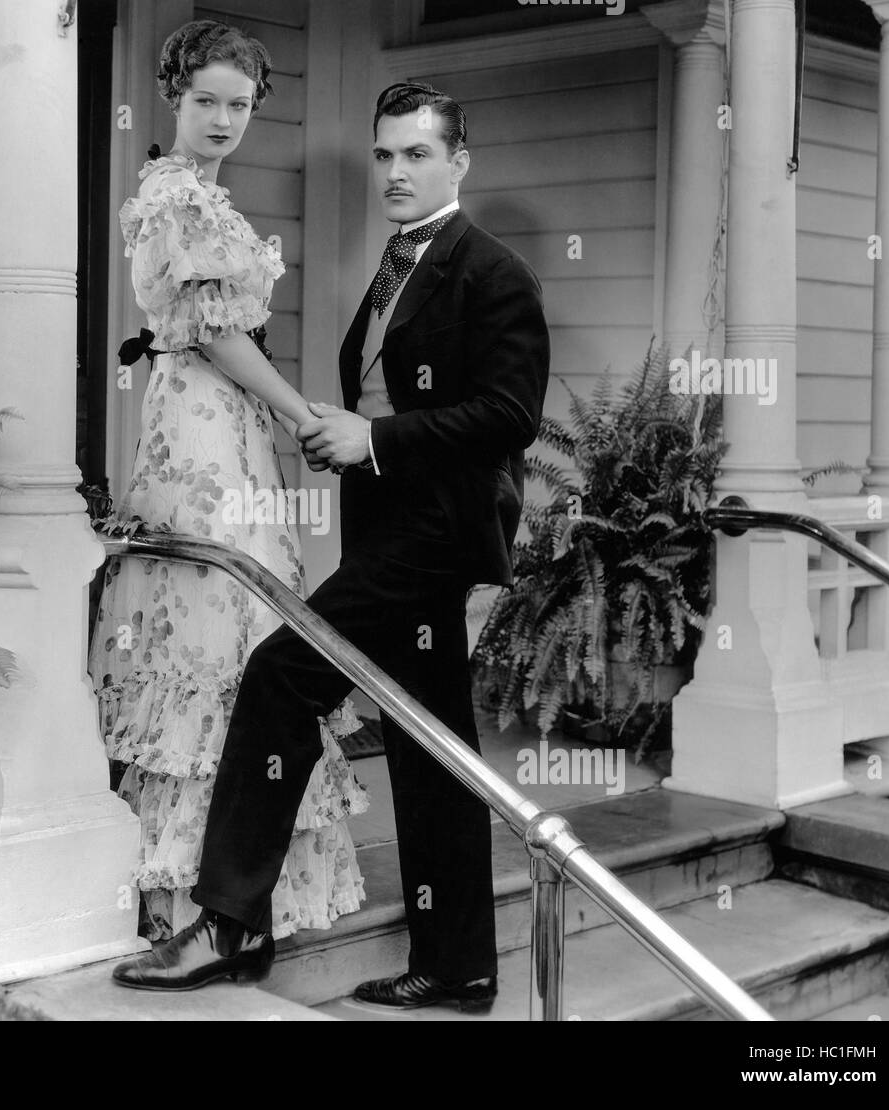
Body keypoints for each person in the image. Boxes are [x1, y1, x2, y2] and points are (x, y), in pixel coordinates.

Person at [112, 81, 551, 1014]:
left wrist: (375, 440)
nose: (395, 172)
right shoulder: (398, 263)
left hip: (431, 542)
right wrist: (335, 432)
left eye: (417, 155)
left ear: (458, 162)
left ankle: (229, 924)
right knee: (430, 743)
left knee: (281, 672)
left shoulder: (493, 270)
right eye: (385, 155)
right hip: (388, 532)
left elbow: (512, 415)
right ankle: (459, 965)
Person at [89, 19, 369, 950]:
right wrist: (301, 413)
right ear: (174, 96)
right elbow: (211, 330)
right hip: (203, 433)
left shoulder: (205, 197)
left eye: (239, 104)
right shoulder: (175, 199)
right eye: (205, 99)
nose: (222, 119)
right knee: (215, 624)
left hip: (221, 428)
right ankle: (189, 895)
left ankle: (238, 887)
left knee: (243, 624)